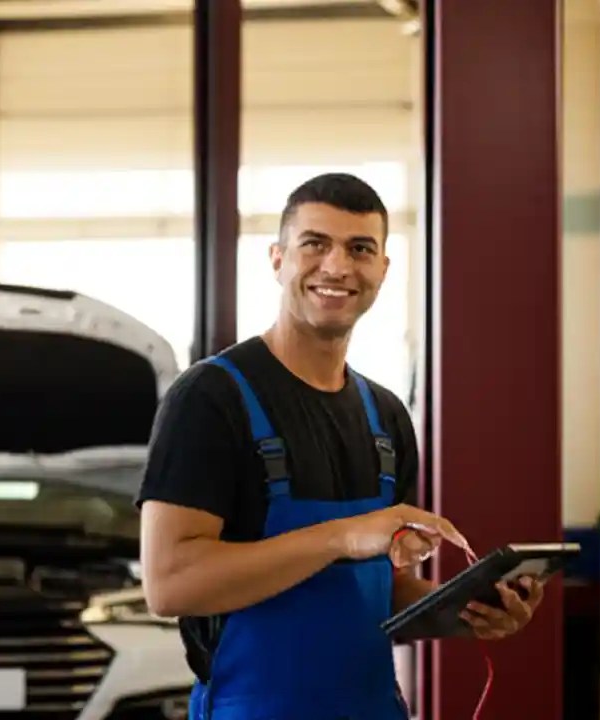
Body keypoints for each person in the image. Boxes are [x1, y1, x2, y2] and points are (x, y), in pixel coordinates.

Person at [137, 173, 545, 719]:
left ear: (383, 269)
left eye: (359, 249)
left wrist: (465, 609)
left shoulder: (386, 415)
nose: (336, 266)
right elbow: (169, 585)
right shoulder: (211, 398)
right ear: (278, 259)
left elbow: (377, 589)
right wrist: (344, 536)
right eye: (315, 244)